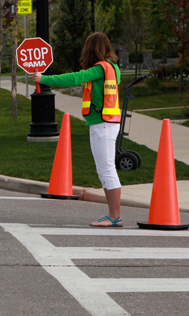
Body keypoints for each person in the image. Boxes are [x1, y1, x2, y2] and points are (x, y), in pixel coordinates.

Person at [33, 32, 123, 227]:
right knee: (104, 170)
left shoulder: (100, 69)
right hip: (105, 123)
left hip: (103, 124)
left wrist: (43, 79)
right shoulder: (113, 68)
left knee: (107, 170)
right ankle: (113, 215)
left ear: (91, 49)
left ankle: (115, 216)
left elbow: (74, 78)